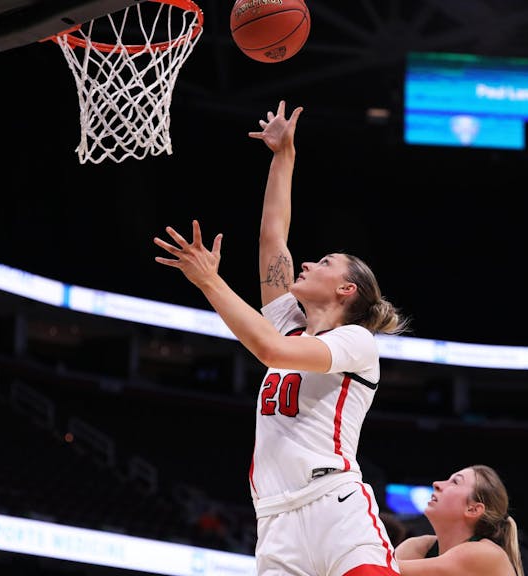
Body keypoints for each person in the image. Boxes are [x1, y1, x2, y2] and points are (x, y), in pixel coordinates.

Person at [153, 100, 410, 576]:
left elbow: (269, 351)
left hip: (333, 506)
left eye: (325, 263)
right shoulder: (288, 320)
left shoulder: (355, 342)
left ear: (345, 289)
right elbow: (274, 239)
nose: (308, 263)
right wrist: (283, 156)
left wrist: (211, 281)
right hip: (274, 520)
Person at [394, 465, 524, 576]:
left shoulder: (484, 553)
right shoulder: (419, 546)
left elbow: (383, 569)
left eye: (455, 482)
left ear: (473, 509)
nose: (436, 484)